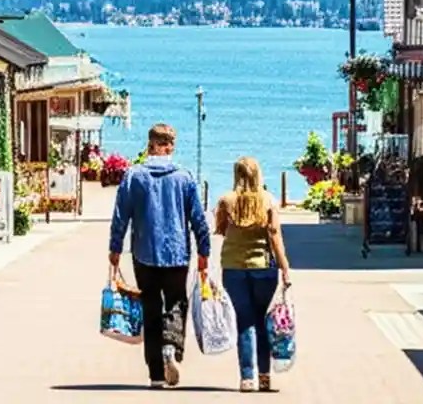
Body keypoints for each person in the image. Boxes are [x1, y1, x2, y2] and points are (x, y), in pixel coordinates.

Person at [109, 123, 211, 389]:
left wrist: (115, 248)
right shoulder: (185, 177)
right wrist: (204, 250)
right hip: (177, 252)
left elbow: (121, 215)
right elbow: (198, 218)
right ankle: (171, 348)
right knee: (177, 302)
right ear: (170, 147)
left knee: (151, 307)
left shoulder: (134, 176)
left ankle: (155, 374)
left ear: (150, 144)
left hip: (144, 252)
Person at [214, 156, 292, 393]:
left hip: (234, 268)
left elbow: (220, 229)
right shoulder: (268, 201)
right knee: (262, 321)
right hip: (264, 268)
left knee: (244, 321)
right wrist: (285, 268)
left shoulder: (226, 201)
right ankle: (265, 376)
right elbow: (275, 237)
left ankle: (247, 377)